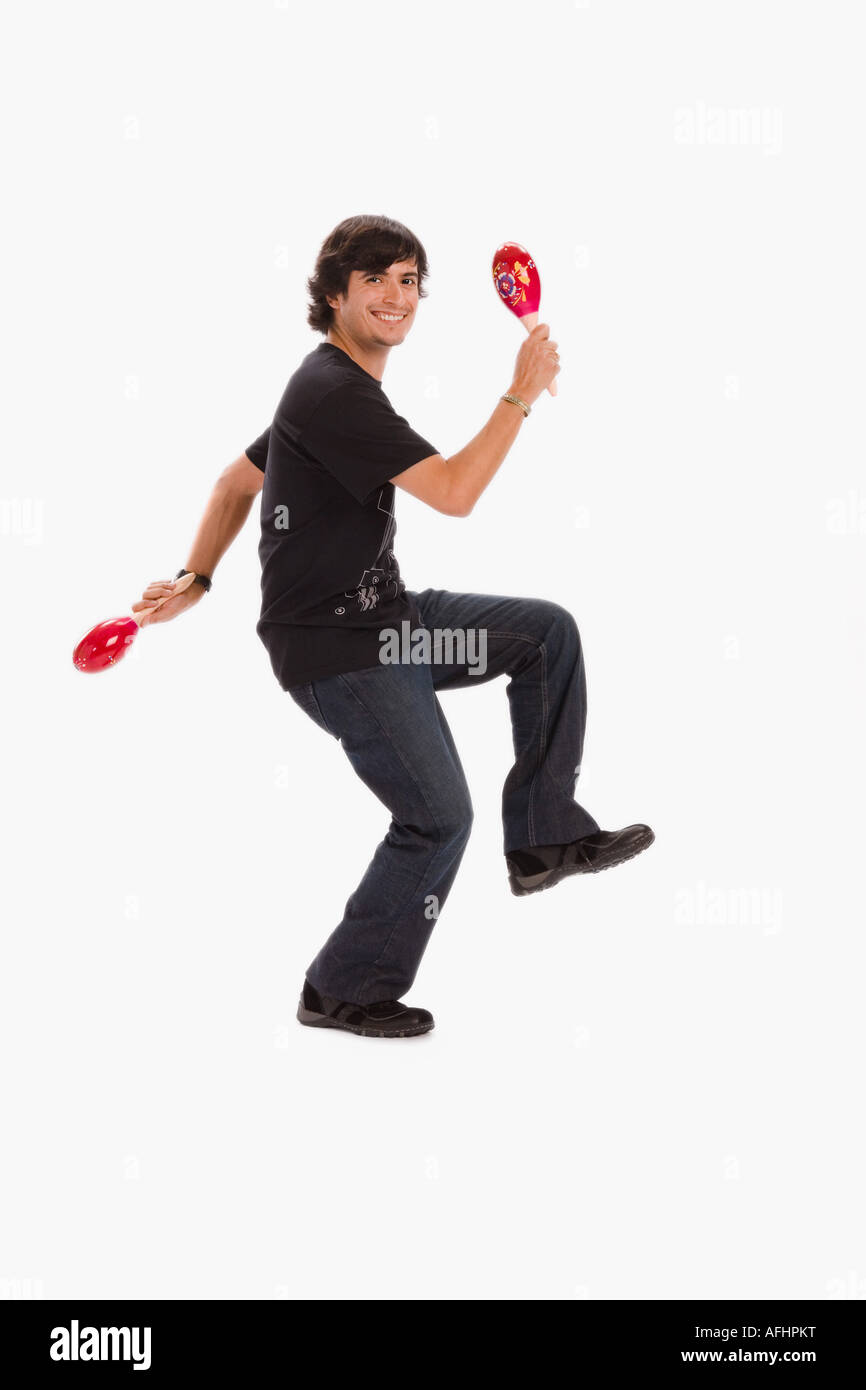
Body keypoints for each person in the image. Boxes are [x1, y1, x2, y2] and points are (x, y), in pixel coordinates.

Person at [133, 214, 654, 1040]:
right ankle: (342, 988)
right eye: (374, 278)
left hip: (397, 628)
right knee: (438, 817)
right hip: (344, 654)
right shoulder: (335, 393)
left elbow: (234, 483)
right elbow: (454, 492)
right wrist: (520, 391)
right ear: (334, 294)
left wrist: (198, 576)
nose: (395, 295)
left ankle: (545, 835)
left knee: (544, 636)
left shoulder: (332, 387)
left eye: (409, 279)